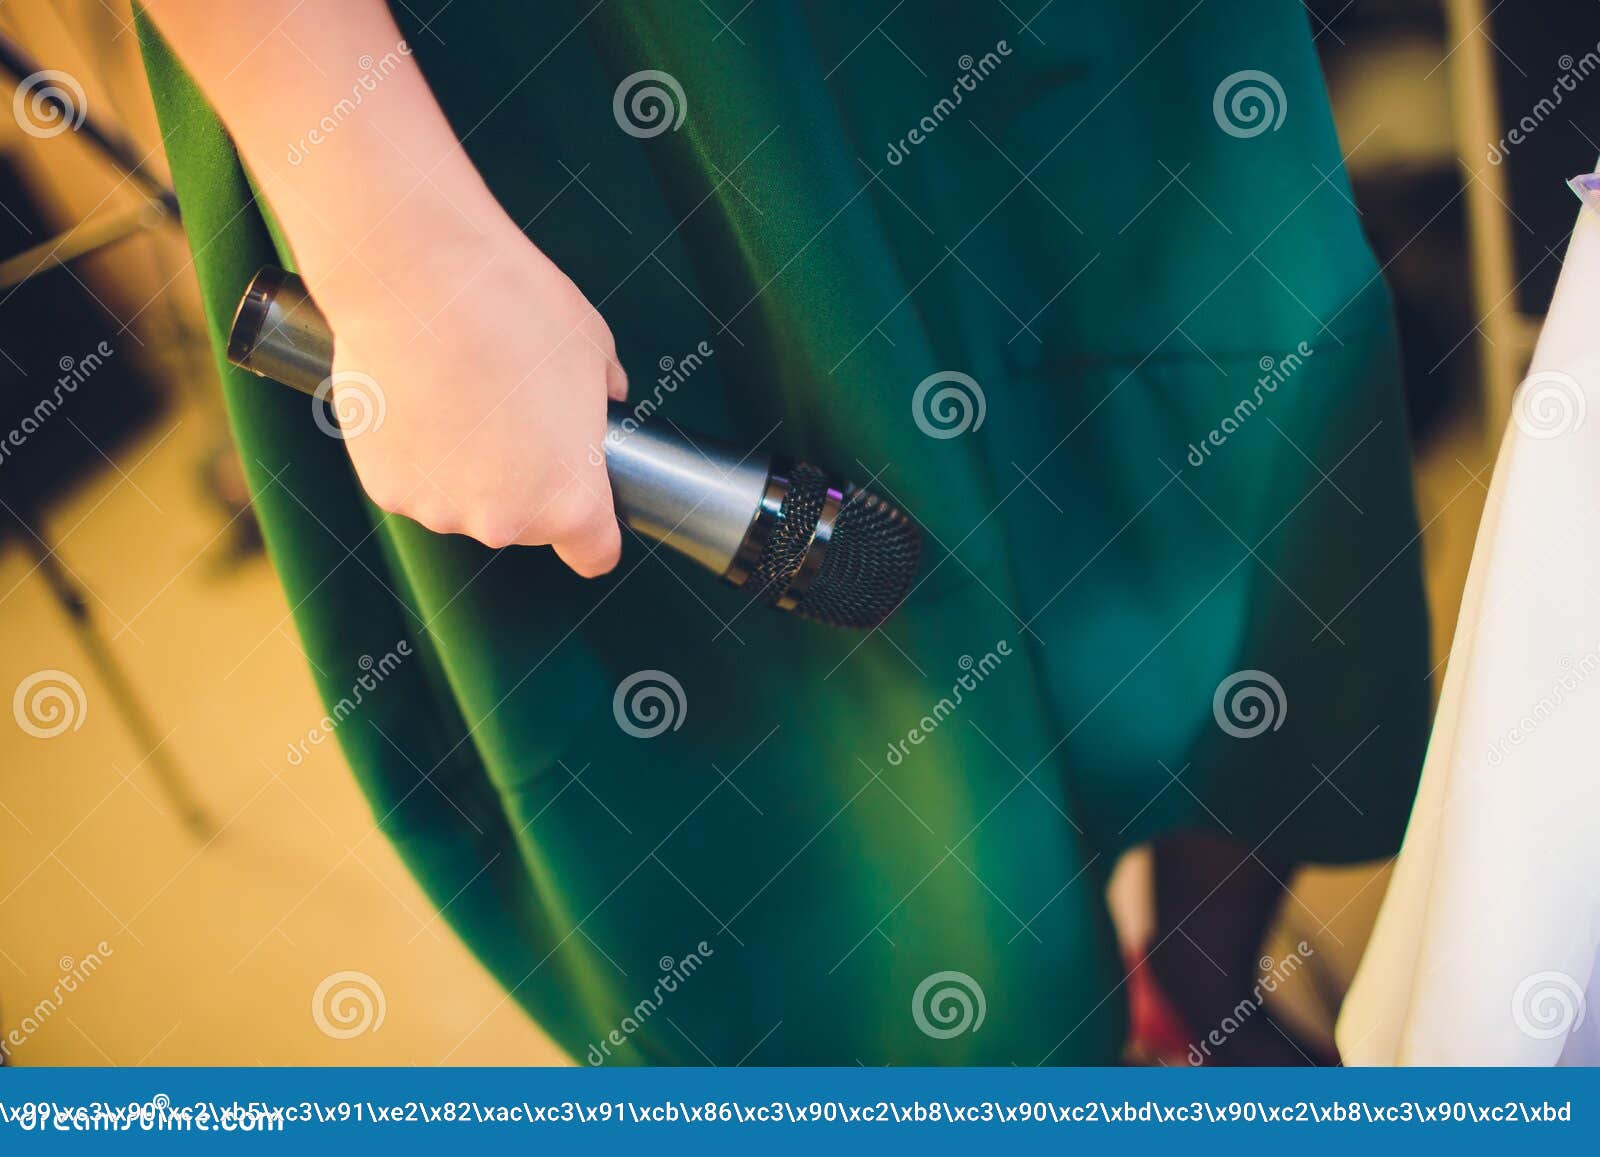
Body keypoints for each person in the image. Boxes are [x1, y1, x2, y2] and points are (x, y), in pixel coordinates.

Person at [139, 0, 1431, 1064]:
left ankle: (1201, 994)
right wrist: (388, 235)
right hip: (570, 87)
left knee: (1242, 485)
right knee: (846, 817)